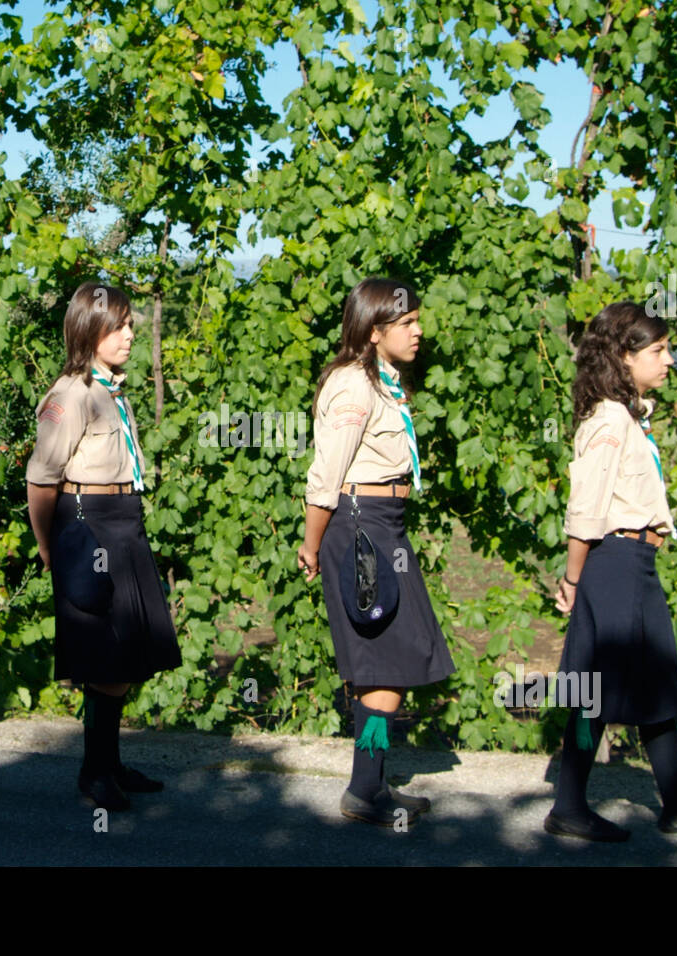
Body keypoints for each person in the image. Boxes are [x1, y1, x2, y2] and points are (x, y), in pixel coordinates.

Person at [546, 301, 677, 842]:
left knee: (658, 682)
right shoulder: (609, 420)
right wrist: (573, 578)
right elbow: (585, 508)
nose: (667, 360)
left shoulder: (628, 413)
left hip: (635, 562)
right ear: (622, 355)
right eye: (656, 351)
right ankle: (568, 805)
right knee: (595, 689)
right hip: (612, 562)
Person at [297, 277, 454, 827]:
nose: (418, 331)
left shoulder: (383, 382)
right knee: (388, 659)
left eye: (416, 320)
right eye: (407, 322)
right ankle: (365, 789)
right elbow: (326, 477)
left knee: (380, 661)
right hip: (360, 527)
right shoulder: (353, 386)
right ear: (374, 329)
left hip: (384, 523)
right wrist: (312, 545)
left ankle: (371, 784)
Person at [26, 282, 181, 811]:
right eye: (118, 326)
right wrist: (49, 546)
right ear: (89, 331)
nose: (130, 335)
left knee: (128, 653)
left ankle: (109, 764)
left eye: (130, 324)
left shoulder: (112, 392)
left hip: (124, 522)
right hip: (88, 525)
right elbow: (41, 480)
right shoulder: (70, 395)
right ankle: (94, 774)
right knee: (107, 658)